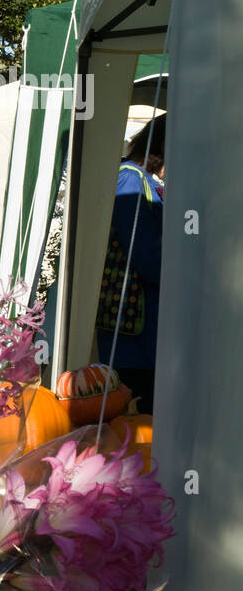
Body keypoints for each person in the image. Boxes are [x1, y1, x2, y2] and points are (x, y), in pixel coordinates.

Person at [95, 117, 165, 414]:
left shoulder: (139, 179)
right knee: (138, 412)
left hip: (140, 324)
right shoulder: (130, 180)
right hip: (133, 328)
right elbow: (145, 255)